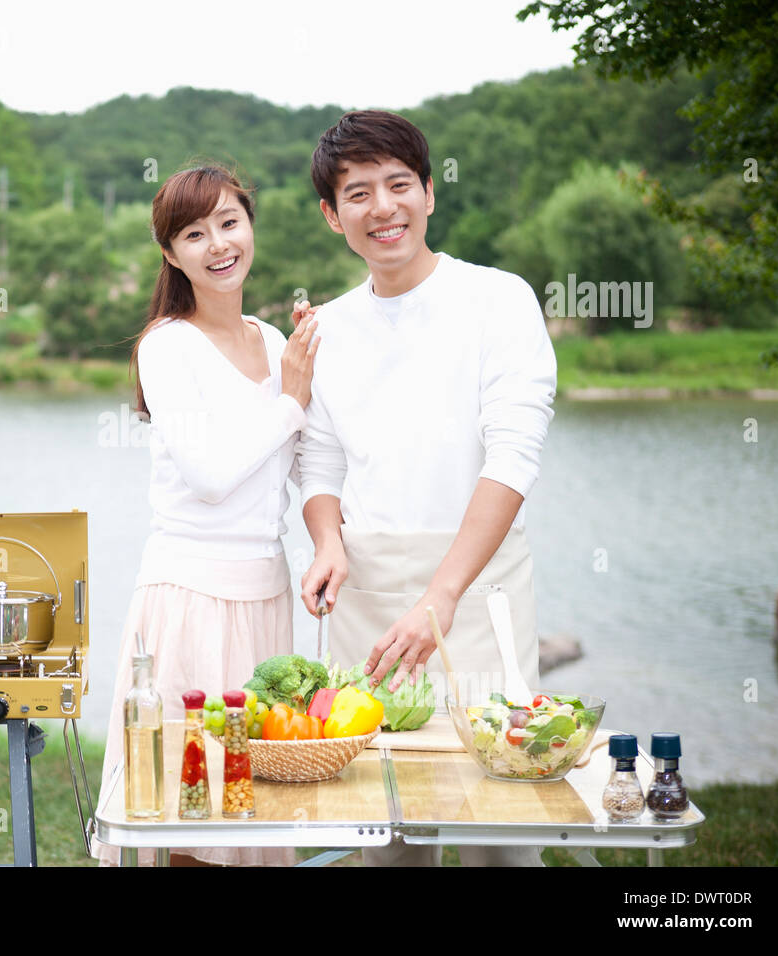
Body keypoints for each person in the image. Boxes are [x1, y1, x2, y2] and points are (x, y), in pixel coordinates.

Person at [296, 110, 557, 867]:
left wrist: (442, 596)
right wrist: (325, 541)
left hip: (476, 587)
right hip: (369, 600)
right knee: (384, 827)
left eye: (399, 185)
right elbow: (318, 463)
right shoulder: (328, 328)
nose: (383, 208)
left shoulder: (498, 300)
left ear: (430, 193)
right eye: (358, 193)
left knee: (499, 820)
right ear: (330, 214)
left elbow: (512, 458)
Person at [94, 164, 319, 867]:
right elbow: (213, 477)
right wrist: (292, 400)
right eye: (195, 233)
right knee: (191, 813)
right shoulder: (167, 345)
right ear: (171, 253)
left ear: (250, 225)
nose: (218, 244)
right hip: (191, 595)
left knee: (252, 809)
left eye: (229, 222)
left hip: (265, 595)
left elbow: (304, 467)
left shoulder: (277, 342)